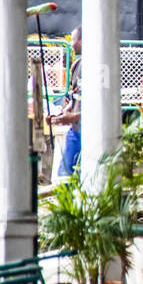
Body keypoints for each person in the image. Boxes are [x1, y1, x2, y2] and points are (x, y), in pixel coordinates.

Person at [49, 27, 83, 178]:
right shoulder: (77, 65)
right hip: (76, 131)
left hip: (89, 131)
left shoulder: (97, 67)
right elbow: (75, 97)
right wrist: (60, 114)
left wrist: (72, 117)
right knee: (65, 175)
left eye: (73, 39)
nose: (71, 44)